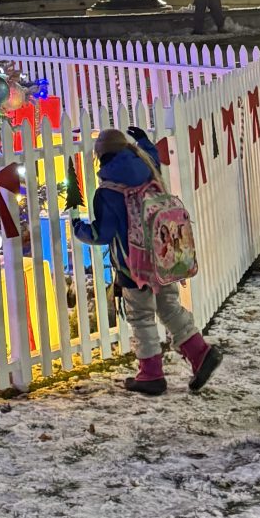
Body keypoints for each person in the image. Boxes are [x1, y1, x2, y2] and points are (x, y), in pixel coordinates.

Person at [73, 126, 222, 395]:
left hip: (134, 267)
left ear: (100, 157)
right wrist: (142, 139)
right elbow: (152, 154)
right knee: (169, 307)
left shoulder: (108, 191)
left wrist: (78, 229)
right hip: (163, 257)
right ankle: (201, 353)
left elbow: (102, 233)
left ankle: (151, 374)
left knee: (140, 316)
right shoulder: (147, 168)